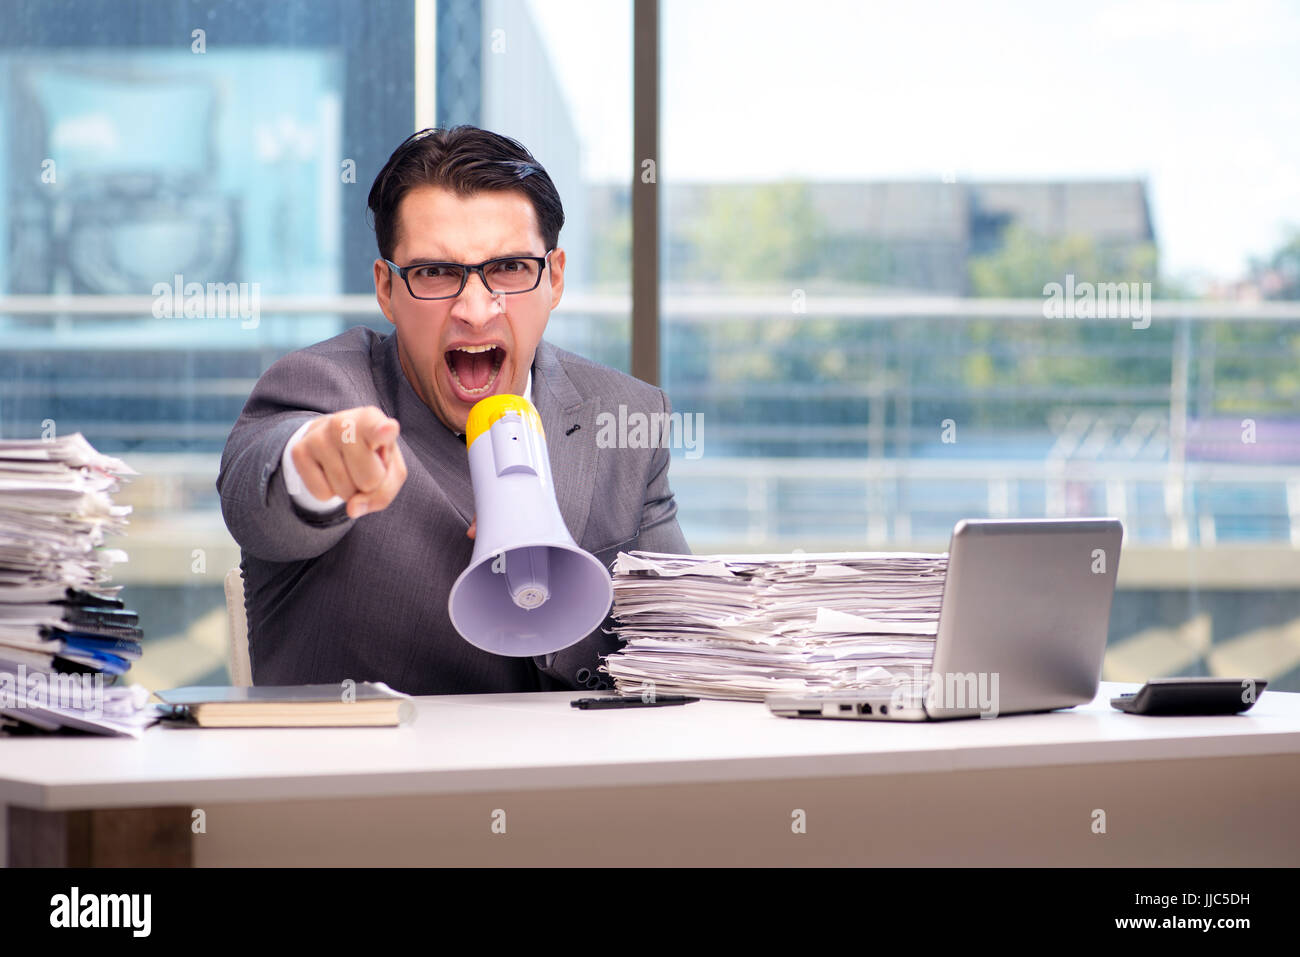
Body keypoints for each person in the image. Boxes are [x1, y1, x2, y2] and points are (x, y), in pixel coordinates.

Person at [217, 126, 689, 694]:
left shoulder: (625, 416)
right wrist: (315, 467)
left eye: (510, 268)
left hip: (576, 776)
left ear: (555, 278)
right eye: (435, 273)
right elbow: (256, 496)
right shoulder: (325, 388)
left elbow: (679, 641)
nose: (474, 309)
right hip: (374, 777)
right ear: (386, 290)